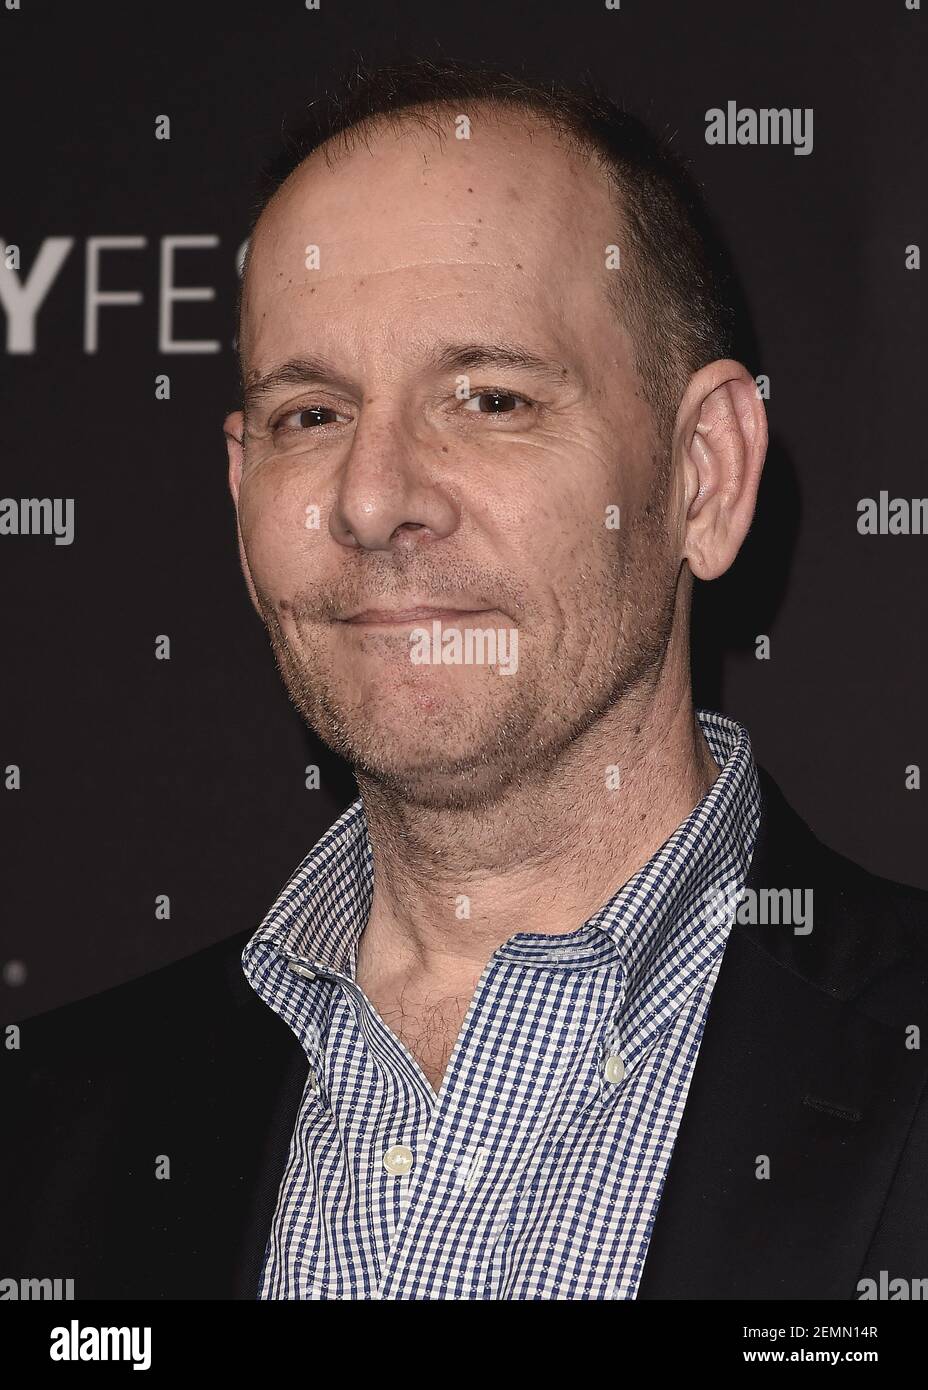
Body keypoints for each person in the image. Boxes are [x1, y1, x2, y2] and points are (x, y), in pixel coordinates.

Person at [4, 59, 927, 1302]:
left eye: (489, 398)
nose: (375, 497)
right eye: (310, 416)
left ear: (702, 476)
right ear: (239, 496)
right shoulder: (49, 1130)